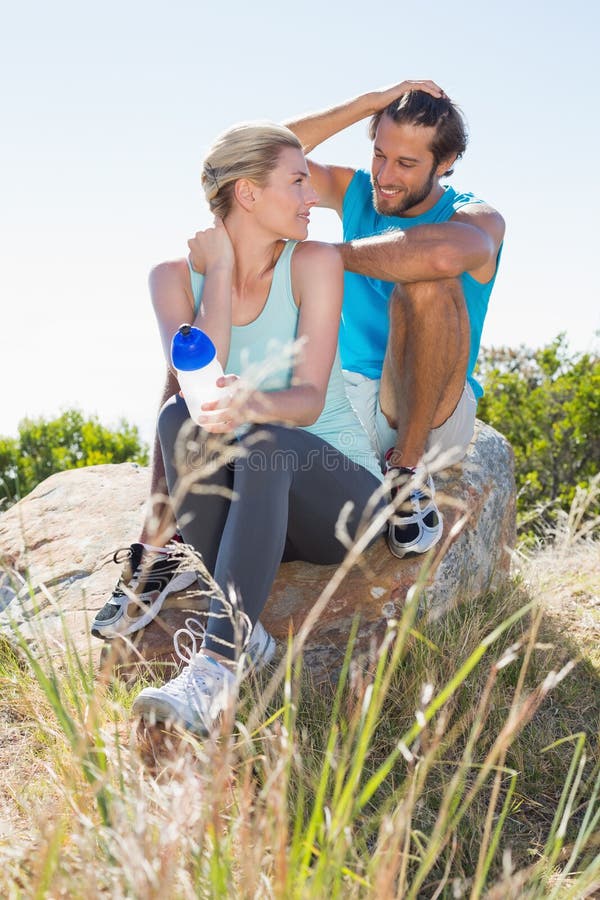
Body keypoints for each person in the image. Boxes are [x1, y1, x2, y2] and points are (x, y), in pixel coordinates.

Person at [127, 121, 386, 736]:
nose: (310, 198)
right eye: (297, 182)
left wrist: (249, 406)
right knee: (175, 418)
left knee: (265, 439)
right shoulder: (171, 278)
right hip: (251, 512)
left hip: (334, 493)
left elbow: (307, 399)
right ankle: (249, 637)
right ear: (246, 193)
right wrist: (217, 273)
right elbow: (198, 379)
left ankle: (217, 664)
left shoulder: (315, 262)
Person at [283, 79, 505, 558]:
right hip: (347, 399)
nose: (386, 174)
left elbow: (443, 256)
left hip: (431, 411)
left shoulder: (477, 217)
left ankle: (406, 474)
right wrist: (369, 104)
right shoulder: (356, 192)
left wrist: (328, 257)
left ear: (444, 164)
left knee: (426, 280)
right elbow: (259, 159)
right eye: (380, 154)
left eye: (406, 163)